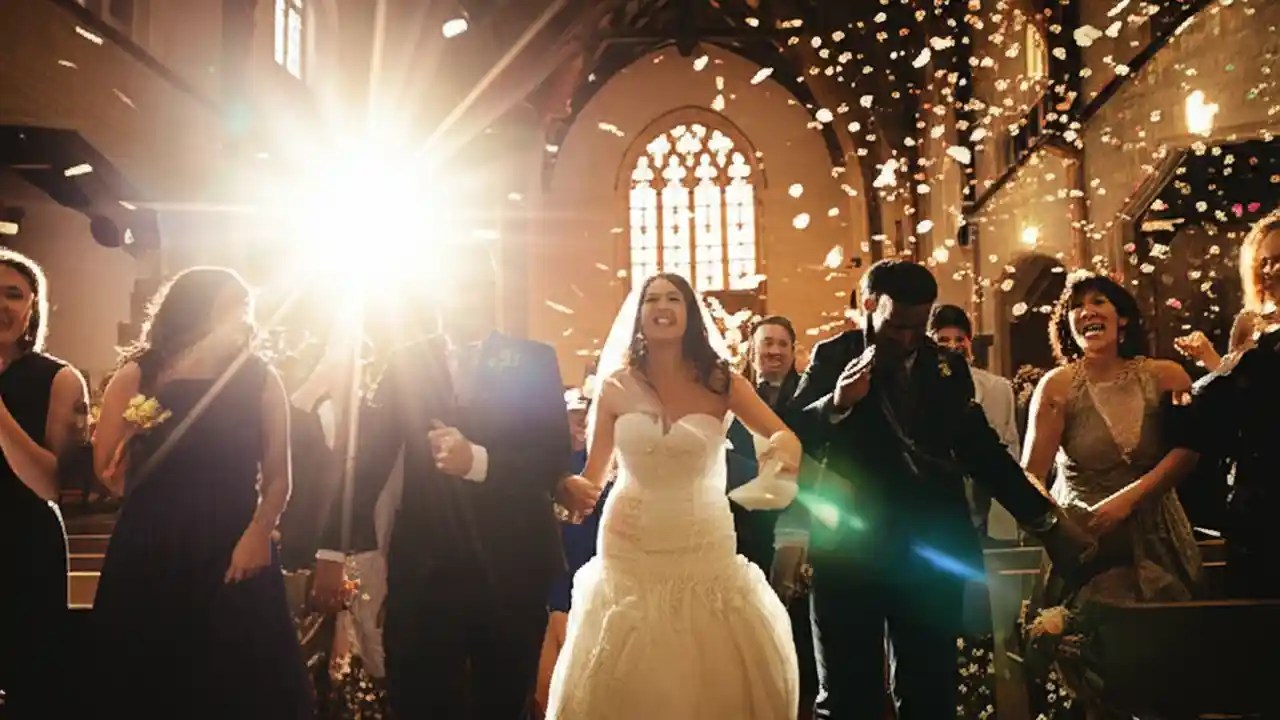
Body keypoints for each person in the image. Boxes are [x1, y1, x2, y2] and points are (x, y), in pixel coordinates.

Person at [788, 258, 1094, 719]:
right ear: (869, 305)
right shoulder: (835, 356)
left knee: (930, 692)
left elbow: (983, 452)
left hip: (930, 550)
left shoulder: (946, 367)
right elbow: (791, 438)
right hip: (850, 550)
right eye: (897, 326)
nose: (910, 338)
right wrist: (836, 403)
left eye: (919, 326)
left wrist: (1047, 521)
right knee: (849, 697)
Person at [311, 244, 580, 719]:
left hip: (511, 560)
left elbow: (552, 457)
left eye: (473, 285)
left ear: (489, 292)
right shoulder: (407, 360)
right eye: (451, 286)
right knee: (420, 697)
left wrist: (477, 460)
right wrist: (332, 550)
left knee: (501, 699)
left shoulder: (533, 360)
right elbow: (367, 456)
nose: (462, 297)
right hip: (427, 564)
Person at [545, 272, 802, 719]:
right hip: (629, 539)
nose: (662, 307)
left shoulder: (723, 383)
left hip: (701, 537)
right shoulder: (615, 387)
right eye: (651, 300)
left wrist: (778, 461)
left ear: (690, 313)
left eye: (673, 299)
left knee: (705, 660)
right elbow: (595, 474)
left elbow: (782, 436)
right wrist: (564, 491)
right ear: (639, 315)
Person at [91, 267, 313, 718]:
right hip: (152, 544)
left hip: (232, 543)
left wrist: (258, 533)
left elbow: (278, 477)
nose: (244, 317)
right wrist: (128, 450)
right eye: (233, 305)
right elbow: (108, 472)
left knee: (239, 683)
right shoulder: (140, 375)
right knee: (147, 681)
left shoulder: (260, 378)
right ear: (196, 309)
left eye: (246, 307)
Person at [1021, 270, 1202, 715]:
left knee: (1168, 667)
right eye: (1076, 308)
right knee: (1094, 670)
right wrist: (1066, 526)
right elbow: (1030, 475)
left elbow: (1190, 451)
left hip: (1157, 533)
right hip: (1087, 541)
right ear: (1068, 326)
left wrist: (1131, 498)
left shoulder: (1167, 376)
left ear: (1122, 319)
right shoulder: (1058, 386)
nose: (1087, 312)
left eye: (1099, 301)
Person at [0, 250, 89, 718]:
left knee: (30, 684)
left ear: (32, 307)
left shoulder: (59, 379)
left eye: (13, 294)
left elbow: (50, 484)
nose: (1, 305)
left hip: (23, 545)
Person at [1176, 210, 1280, 597]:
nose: (1271, 270)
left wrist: (1234, 358)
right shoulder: (1261, 335)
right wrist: (1228, 358)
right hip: (1258, 512)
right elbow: (1236, 407)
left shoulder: (1266, 343)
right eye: (1264, 261)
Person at [726, 315, 818, 719]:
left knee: (800, 630)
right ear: (752, 350)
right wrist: (760, 475)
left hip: (803, 521)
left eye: (782, 344)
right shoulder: (733, 396)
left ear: (794, 350)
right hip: (745, 528)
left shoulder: (810, 396)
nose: (774, 351)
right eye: (766, 344)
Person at [927, 304, 1021, 537]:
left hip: (989, 508)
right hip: (937, 511)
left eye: (960, 339)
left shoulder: (998, 389)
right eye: (943, 340)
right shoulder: (918, 387)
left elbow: (1010, 447)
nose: (953, 347)